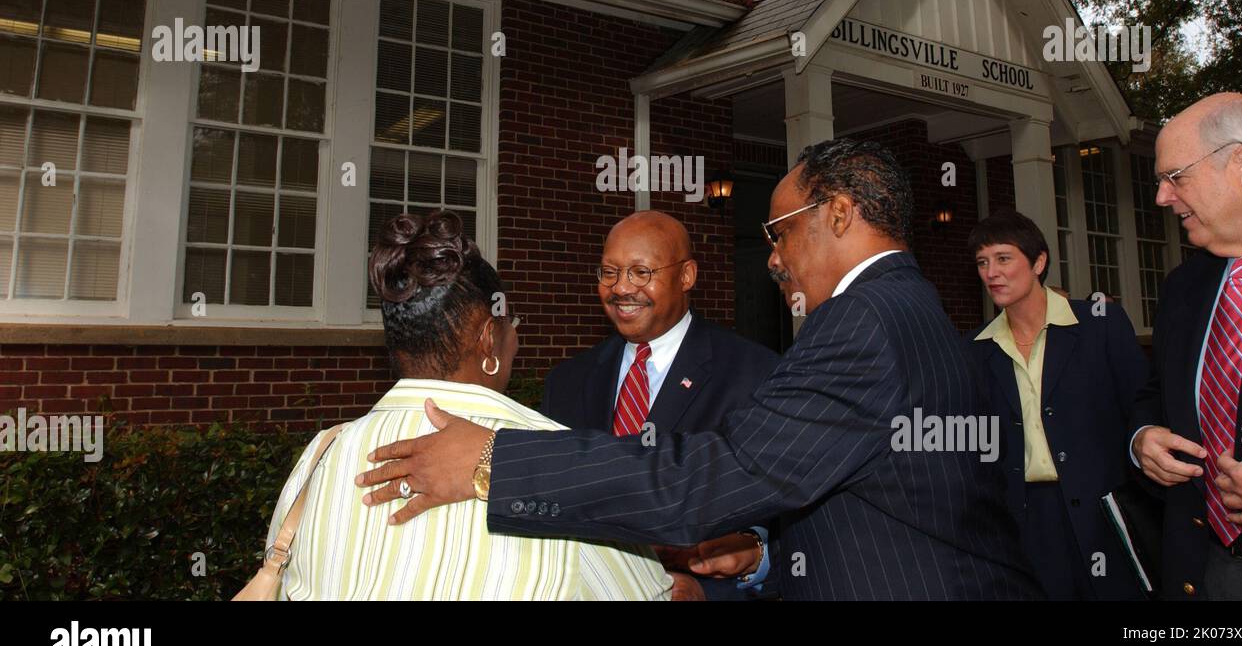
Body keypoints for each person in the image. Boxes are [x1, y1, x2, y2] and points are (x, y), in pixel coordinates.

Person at [357, 139, 1041, 600]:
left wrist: (493, 460)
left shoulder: (861, 321)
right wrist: (762, 558)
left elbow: (701, 478)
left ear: (838, 212)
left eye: (780, 231)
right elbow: (880, 499)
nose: (772, 256)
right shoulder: (917, 307)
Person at [263, 210, 670, 600]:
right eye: (511, 323)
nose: (516, 338)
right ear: (488, 340)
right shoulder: (554, 457)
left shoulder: (323, 453)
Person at [542, 210, 781, 600]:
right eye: (609, 272)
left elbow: (782, 519)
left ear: (686, 276)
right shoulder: (566, 383)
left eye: (640, 272)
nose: (621, 288)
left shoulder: (754, 373)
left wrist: (710, 586)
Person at [1130, 93, 1242, 600]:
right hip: (1204, 572)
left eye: (1175, 176)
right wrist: (1142, 441)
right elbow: (1156, 393)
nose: (1162, 197)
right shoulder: (1185, 286)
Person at [967, 209, 1147, 599]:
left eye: (1003, 258)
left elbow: (1142, 407)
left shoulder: (1100, 325)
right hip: (1025, 519)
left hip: (1104, 511)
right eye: (982, 262)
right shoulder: (976, 349)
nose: (991, 273)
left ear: (1038, 262)